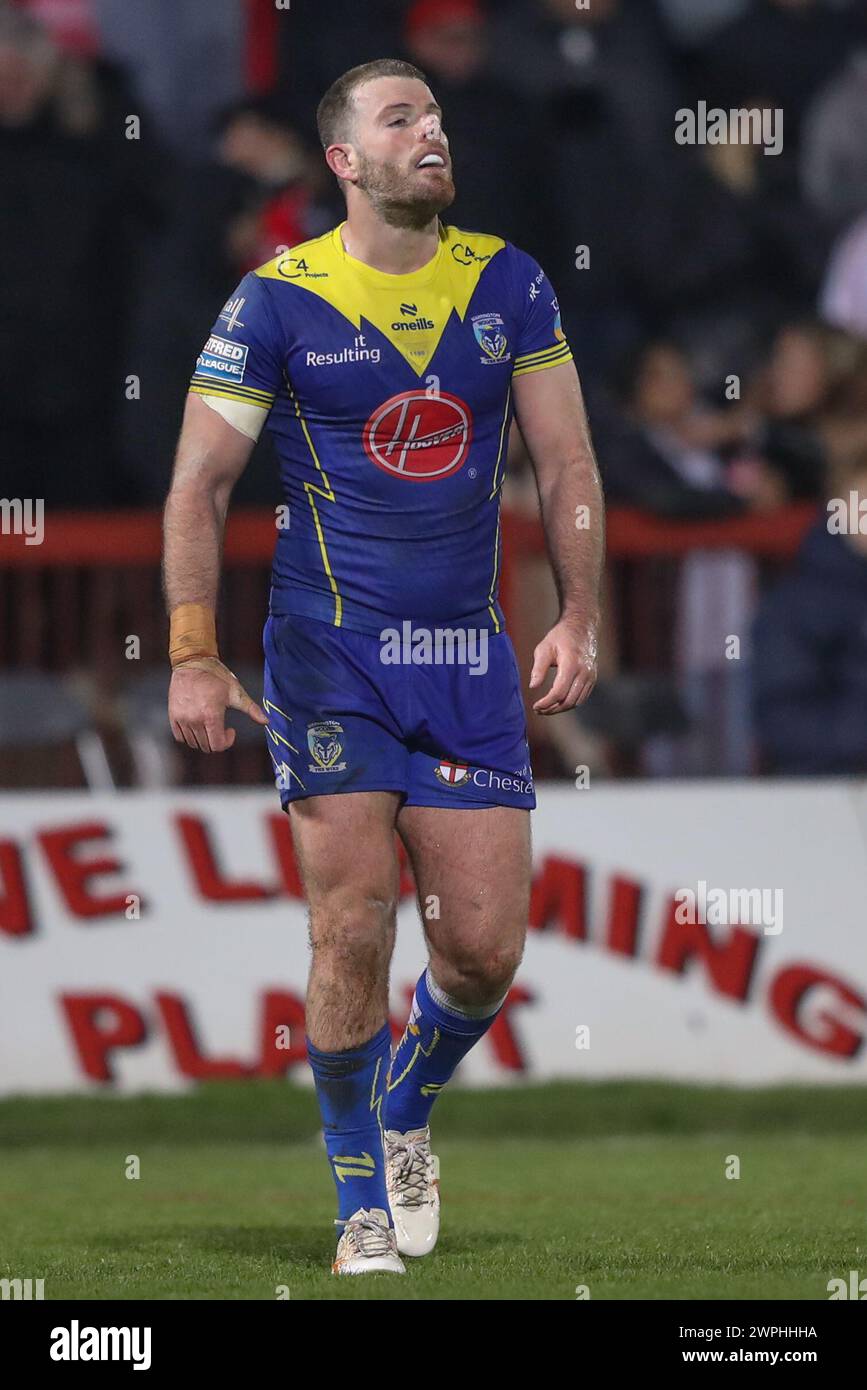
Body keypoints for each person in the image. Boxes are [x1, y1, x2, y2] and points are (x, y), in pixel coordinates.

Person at [162, 57, 603, 1276]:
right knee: (349, 919)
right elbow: (197, 486)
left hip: (467, 655)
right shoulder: (276, 301)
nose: (433, 132)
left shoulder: (508, 281)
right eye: (401, 118)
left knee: (481, 951)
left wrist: (581, 617)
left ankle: (406, 1106)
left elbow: (566, 466)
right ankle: (360, 1194)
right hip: (329, 654)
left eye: (438, 115)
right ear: (344, 160)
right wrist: (193, 655)